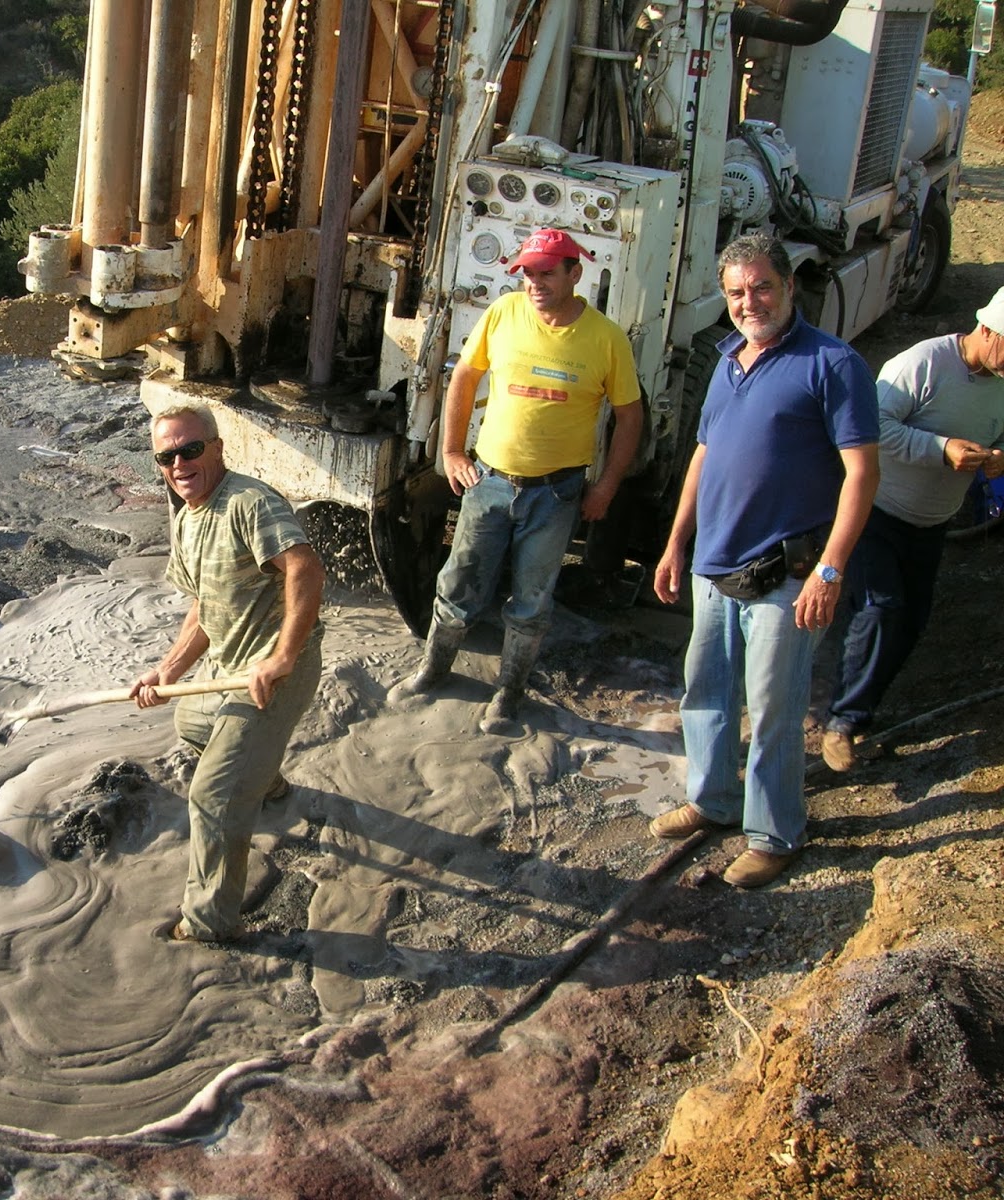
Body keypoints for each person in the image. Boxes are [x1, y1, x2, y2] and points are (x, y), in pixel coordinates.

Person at [651, 231, 879, 888]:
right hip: (714, 565)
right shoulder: (727, 359)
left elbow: (863, 473)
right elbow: (705, 454)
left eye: (762, 287)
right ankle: (713, 800)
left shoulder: (832, 364)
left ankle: (776, 835)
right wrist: (675, 543)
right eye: (736, 293)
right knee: (707, 692)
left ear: (789, 286)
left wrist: (832, 568)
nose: (749, 302)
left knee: (776, 706)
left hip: (788, 574)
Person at [401, 227, 643, 734]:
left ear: (575, 274)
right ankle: (433, 669)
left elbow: (630, 416)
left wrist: (606, 487)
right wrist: (450, 451)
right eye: (527, 273)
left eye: (546, 273)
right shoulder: (504, 313)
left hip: (556, 493)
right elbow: (464, 376)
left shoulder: (606, 338)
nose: (534, 283)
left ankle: (508, 696)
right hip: (488, 481)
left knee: (532, 600)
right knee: (459, 581)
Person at [131, 404, 325, 944]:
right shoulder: (188, 516)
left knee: (212, 796)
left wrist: (283, 656)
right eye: (166, 455)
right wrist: (165, 672)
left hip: (273, 670)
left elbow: (305, 566)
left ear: (216, 448)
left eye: (191, 449)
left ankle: (208, 924)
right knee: (191, 724)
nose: (180, 462)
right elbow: (202, 608)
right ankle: (266, 783)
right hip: (227, 667)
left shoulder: (247, 501)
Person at [821, 290, 1004, 771]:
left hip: (931, 522)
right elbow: (869, 426)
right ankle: (840, 722)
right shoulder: (924, 362)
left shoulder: (1002, 379)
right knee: (881, 608)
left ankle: (862, 713)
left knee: (911, 622)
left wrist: (997, 459)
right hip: (877, 511)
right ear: (986, 330)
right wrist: (941, 449)